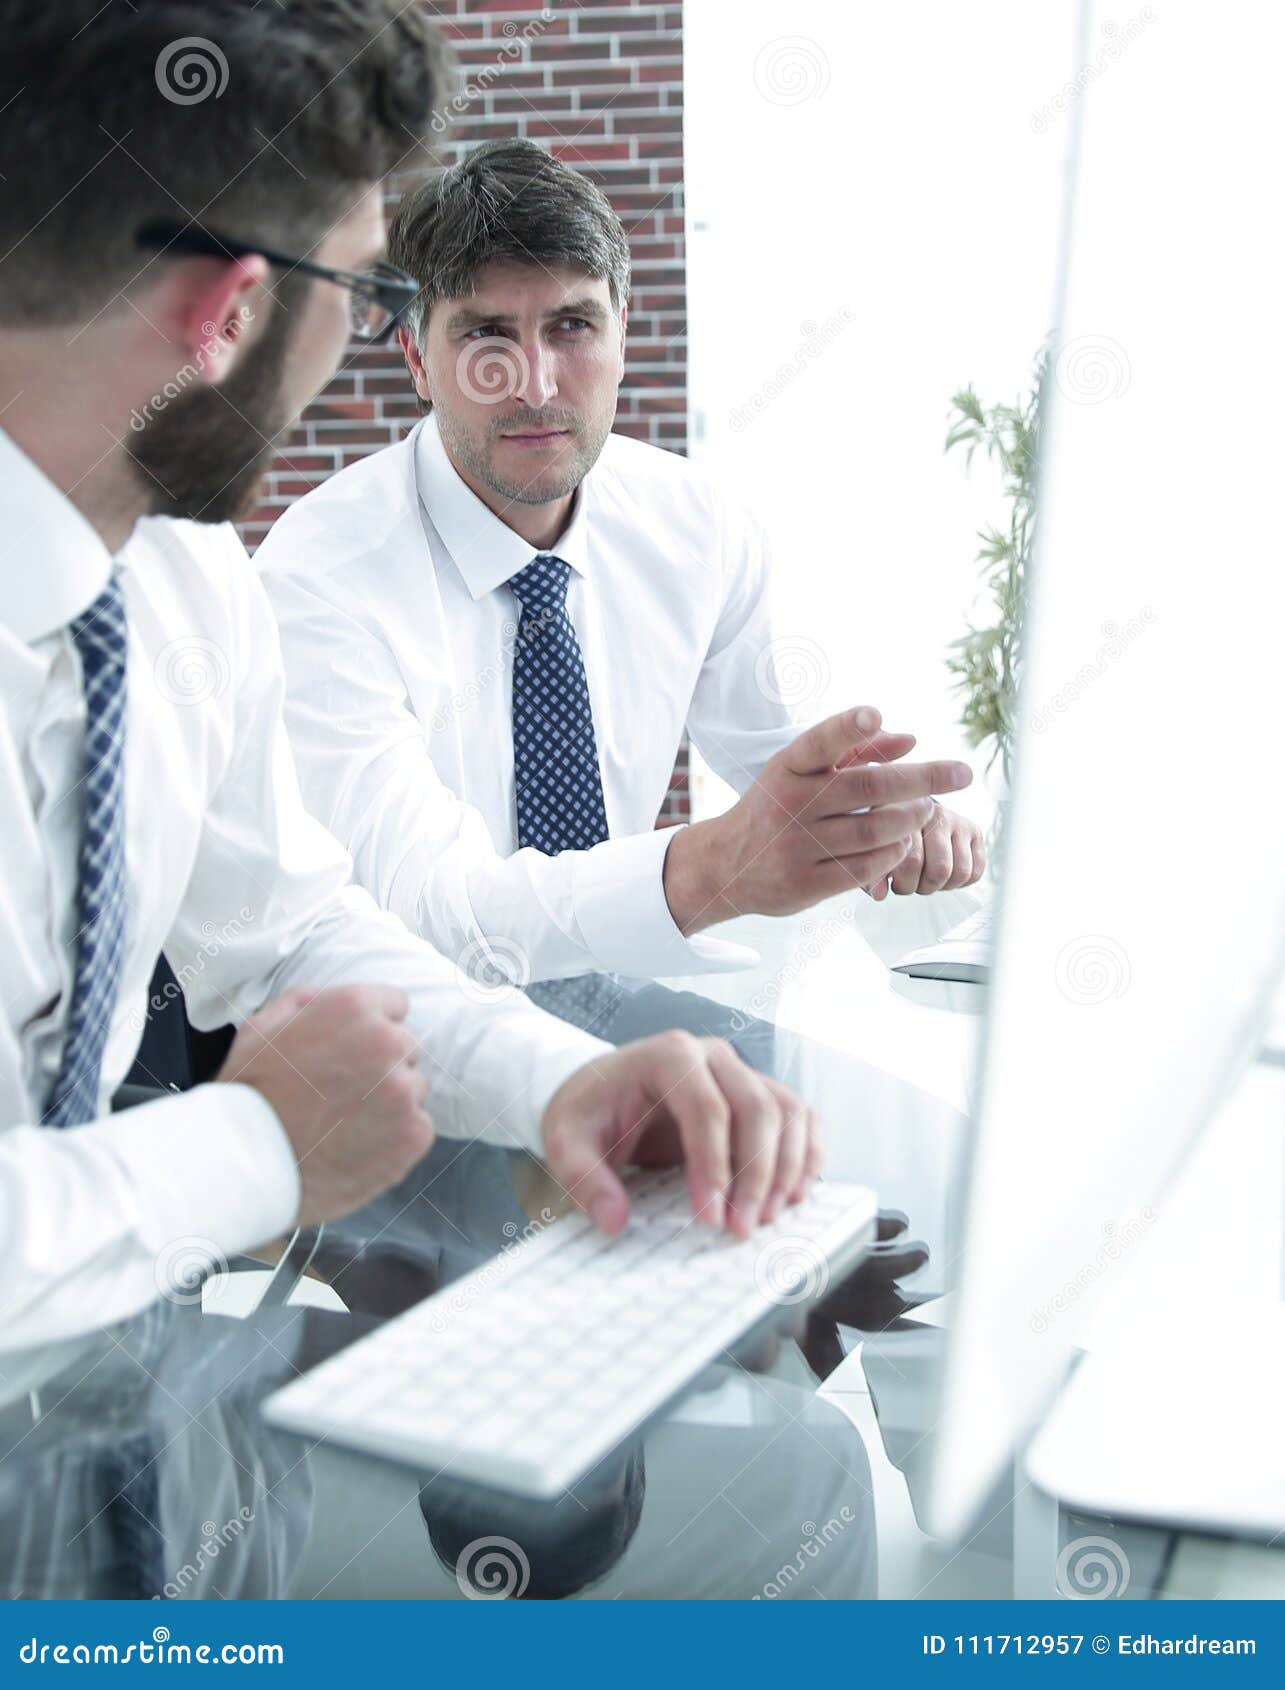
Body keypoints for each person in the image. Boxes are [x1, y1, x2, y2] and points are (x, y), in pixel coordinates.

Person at [0, 1, 818, 1358]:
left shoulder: (187, 588)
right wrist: (255, 1143)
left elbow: (294, 928)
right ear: (230, 310)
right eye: (371, 293)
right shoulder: (303, 564)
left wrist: (570, 1080)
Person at [257, 138, 984, 989]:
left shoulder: (697, 527)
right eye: (486, 334)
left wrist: (890, 816)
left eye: (572, 326)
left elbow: (782, 760)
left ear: (622, 334)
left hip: (622, 1025)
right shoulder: (315, 579)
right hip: (391, 1055)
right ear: (418, 359)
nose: (533, 384)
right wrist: (710, 869)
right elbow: (428, 910)